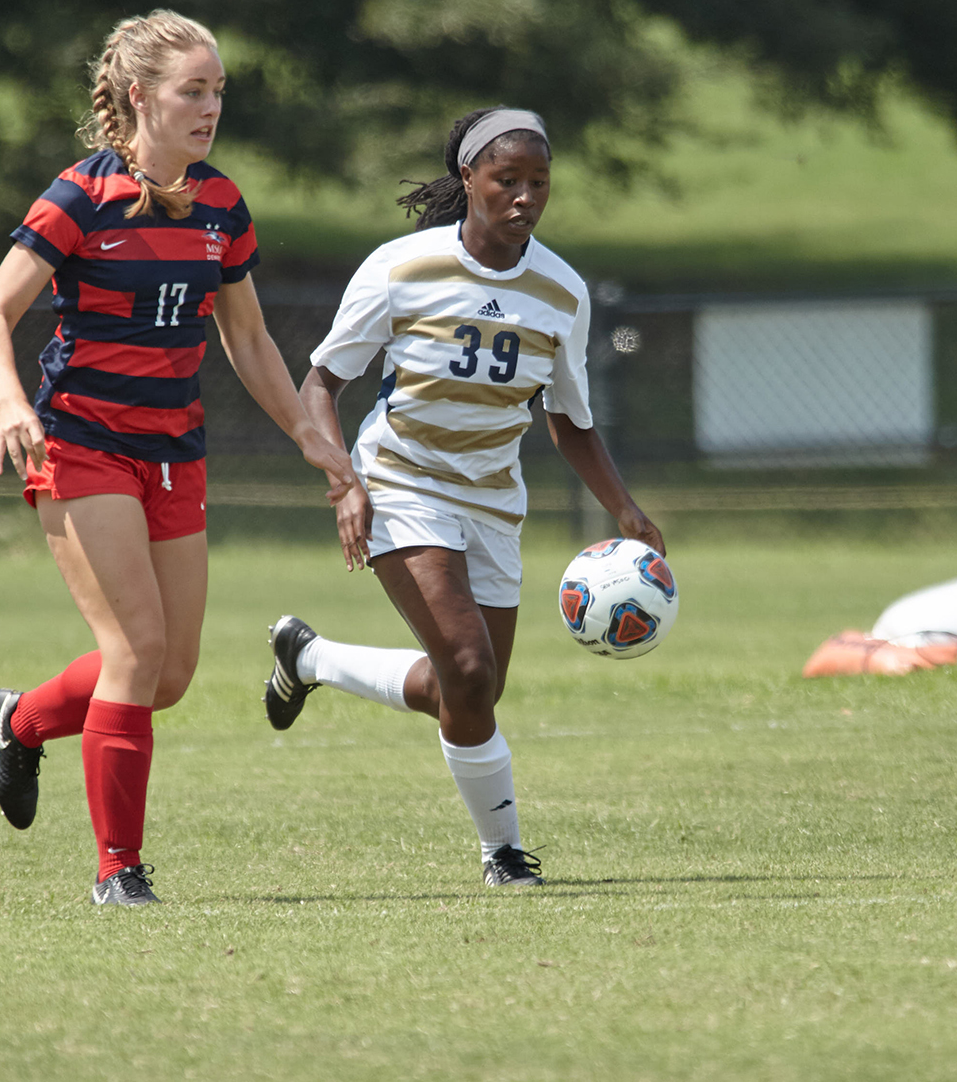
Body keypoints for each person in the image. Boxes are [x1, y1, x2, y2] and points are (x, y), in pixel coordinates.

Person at [0, 10, 356, 906]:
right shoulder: (77, 196)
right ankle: (119, 871)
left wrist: (306, 429)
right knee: (134, 650)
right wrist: (11, 403)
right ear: (139, 98)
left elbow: (249, 337)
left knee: (168, 676)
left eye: (218, 90)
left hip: (174, 452)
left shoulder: (220, 202)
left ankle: (21, 720)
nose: (211, 106)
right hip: (80, 445)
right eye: (194, 90)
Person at [262, 107, 665, 888]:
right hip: (401, 482)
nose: (523, 197)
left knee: (468, 692)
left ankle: (309, 657)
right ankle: (505, 855)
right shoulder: (400, 267)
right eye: (505, 180)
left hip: (491, 500)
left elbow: (569, 420)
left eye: (538, 182)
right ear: (468, 180)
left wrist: (626, 509)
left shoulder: (561, 291)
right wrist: (344, 482)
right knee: (472, 670)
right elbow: (321, 382)